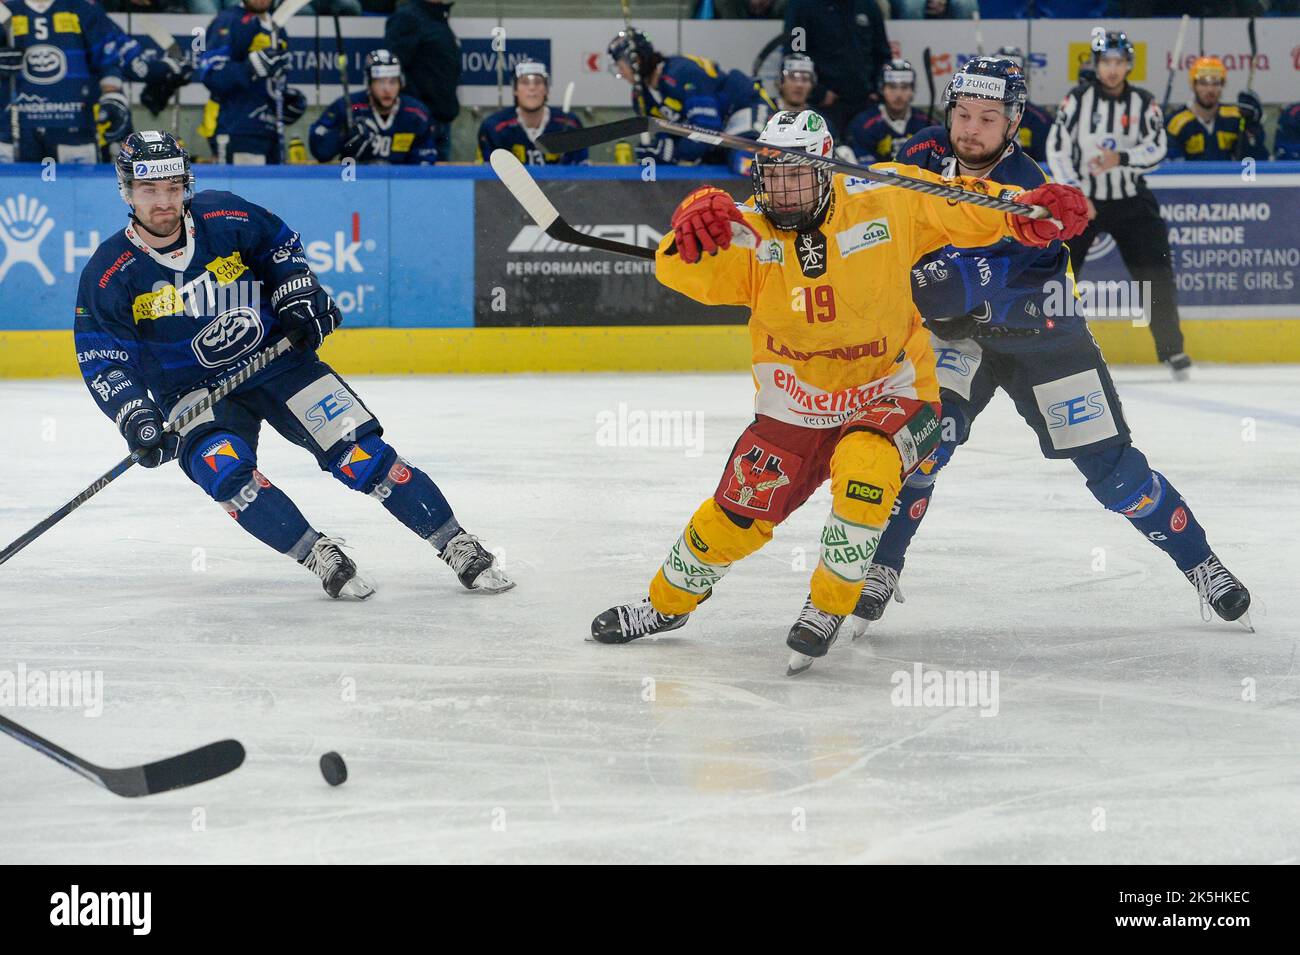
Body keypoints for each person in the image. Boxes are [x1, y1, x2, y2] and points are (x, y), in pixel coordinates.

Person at [588, 109, 1088, 674]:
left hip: (893, 387)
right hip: (795, 402)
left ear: (826, 170)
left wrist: (1026, 211)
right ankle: (665, 605)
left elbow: (961, 201)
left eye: (796, 175)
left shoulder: (886, 196)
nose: (781, 190)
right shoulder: (750, 229)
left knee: (865, 471)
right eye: (770, 176)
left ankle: (828, 604)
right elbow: (681, 271)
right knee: (733, 517)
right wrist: (689, 232)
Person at [849, 57, 1252, 638]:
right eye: (962, 114)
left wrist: (919, 279)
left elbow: (947, 290)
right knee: (924, 446)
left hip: (1045, 340)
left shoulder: (1029, 195)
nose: (971, 129)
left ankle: (1202, 565)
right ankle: (883, 565)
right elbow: (866, 208)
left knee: (1116, 476)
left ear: (1013, 122)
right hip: (965, 341)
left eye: (988, 118)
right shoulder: (921, 156)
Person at [73, 131, 513, 600]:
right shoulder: (109, 272)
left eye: (172, 187)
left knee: (357, 454)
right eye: (149, 190)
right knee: (222, 473)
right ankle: (317, 553)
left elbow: (280, 250)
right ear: (127, 191)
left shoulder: (225, 215)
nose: (163, 201)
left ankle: (454, 542)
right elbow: (104, 359)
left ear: (186, 184)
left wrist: (299, 297)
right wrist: (137, 416)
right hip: (193, 393)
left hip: (277, 362)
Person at [1047, 30, 1192, 379]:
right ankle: (1048, 348)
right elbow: (1058, 148)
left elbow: (1158, 148)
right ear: (1096, 65)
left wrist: (1122, 158)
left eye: (1118, 62)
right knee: (1058, 275)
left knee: (1156, 273)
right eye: (1106, 62)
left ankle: (1172, 350)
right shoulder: (1077, 100)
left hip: (1130, 199)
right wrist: (1078, 194)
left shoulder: (1144, 102)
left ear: (1128, 65)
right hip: (1085, 202)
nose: (1112, 69)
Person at [0, 0, 183, 163]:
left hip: (75, 127)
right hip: (13, 130)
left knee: (75, 195)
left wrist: (114, 94)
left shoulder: (83, 9)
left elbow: (110, 60)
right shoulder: (5, 11)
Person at [607, 26, 774, 172]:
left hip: (745, 107)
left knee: (743, 161)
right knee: (712, 165)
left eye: (621, 67)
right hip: (722, 130)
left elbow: (707, 127)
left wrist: (676, 153)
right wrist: (660, 149)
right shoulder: (642, 97)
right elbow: (670, 134)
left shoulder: (680, 73)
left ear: (636, 60)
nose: (621, 74)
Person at [196, 0, 308, 164]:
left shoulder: (277, 26)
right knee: (242, 190)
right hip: (237, 130)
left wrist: (286, 101)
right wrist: (250, 67)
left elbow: (271, 79)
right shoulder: (228, 20)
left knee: (273, 189)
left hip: (272, 133)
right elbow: (212, 75)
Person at [782, 0, 891, 139]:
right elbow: (794, 55)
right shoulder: (802, 5)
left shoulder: (869, 5)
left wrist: (877, 90)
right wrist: (818, 93)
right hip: (824, 104)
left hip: (864, 103)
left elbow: (882, 53)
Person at [310, 49, 438, 165]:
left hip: (399, 185)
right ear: (369, 83)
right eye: (380, 82)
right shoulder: (349, 107)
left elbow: (424, 164)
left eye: (393, 82)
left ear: (401, 83)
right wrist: (343, 134)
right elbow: (320, 152)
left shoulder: (416, 114)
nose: (387, 89)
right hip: (354, 181)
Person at [384, 0, 459, 161]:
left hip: (442, 121)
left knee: (440, 183)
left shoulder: (439, 17)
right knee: (414, 182)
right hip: (419, 122)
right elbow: (392, 70)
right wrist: (417, 111)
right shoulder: (408, 17)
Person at [476, 60, 586, 165]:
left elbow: (581, 175)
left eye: (538, 82)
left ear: (546, 90)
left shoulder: (571, 125)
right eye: (524, 82)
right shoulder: (494, 128)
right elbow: (486, 177)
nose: (532, 88)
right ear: (515, 90)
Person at [1165, 56, 1268, 161]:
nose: (1210, 89)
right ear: (1193, 85)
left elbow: (1255, 160)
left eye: (1216, 83)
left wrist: (1254, 128)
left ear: (1223, 85)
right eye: (1203, 83)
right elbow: (1172, 167)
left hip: (1228, 177)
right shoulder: (1176, 123)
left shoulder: (1235, 118)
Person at [842, 58, 930, 163]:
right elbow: (863, 169)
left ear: (912, 90)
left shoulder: (927, 123)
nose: (898, 94)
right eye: (892, 87)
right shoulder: (862, 125)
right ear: (882, 88)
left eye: (905, 87)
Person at [992, 45, 1052, 162]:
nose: (1006, 80)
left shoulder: (1041, 121)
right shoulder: (978, 113)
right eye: (1000, 73)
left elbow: (1045, 166)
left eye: (1013, 73)